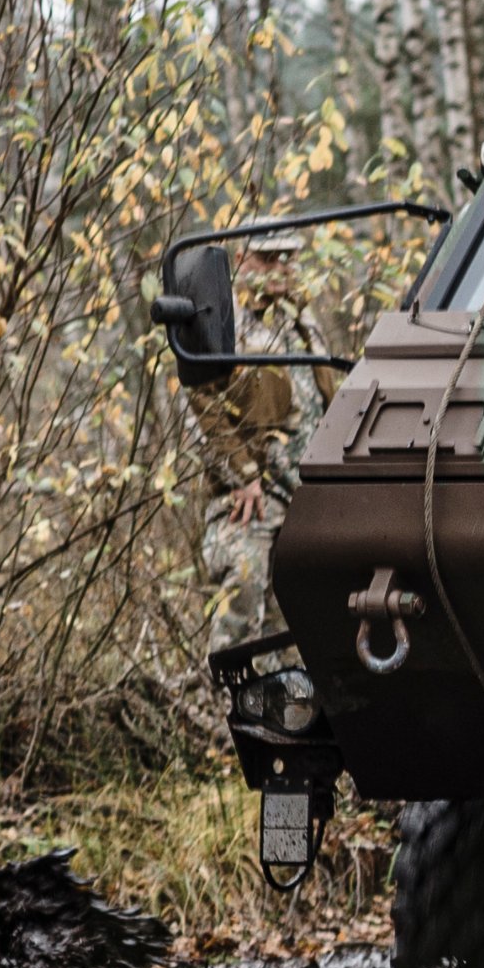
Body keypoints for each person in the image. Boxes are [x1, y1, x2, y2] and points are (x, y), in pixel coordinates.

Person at [189, 232, 333, 658]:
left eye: (287, 259)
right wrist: (243, 475)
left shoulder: (302, 321)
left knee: (301, 619)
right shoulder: (221, 324)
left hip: (309, 495)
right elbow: (199, 410)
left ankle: (291, 712)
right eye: (268, 258)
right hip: (254, 495)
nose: (280, 269)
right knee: (246, 580)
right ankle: (234, 698)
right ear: (241, 260)